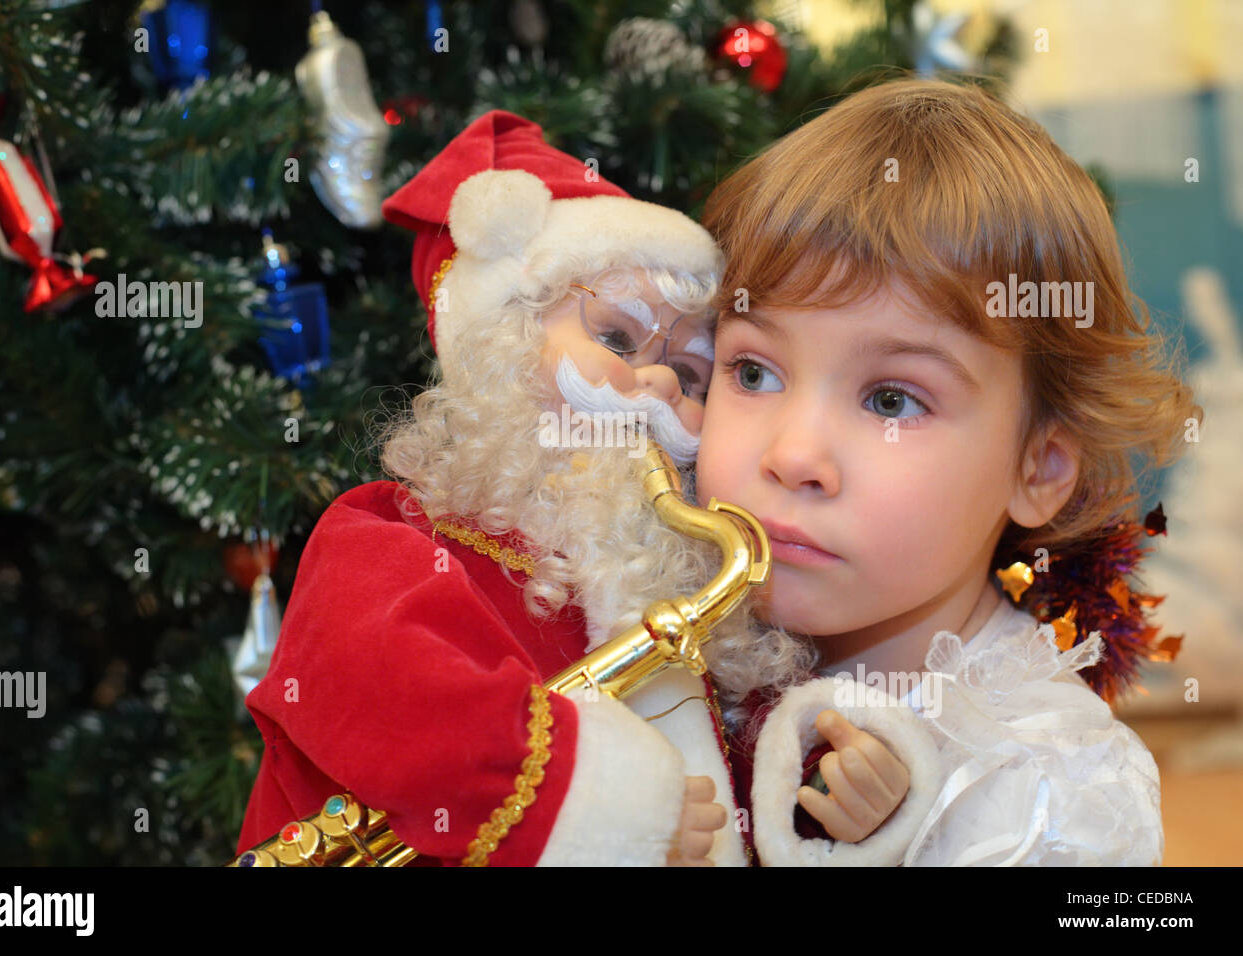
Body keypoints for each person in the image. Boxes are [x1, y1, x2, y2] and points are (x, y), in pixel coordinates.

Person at [235, 110, 773, 866]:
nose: (650, 382)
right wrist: (592, 806)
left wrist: (823, 775)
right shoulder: (390, 538)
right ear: (499, 351)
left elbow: (753, 760)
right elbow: (386, 697)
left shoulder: (701, 592)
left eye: (689, 376)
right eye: (615, 339)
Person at [693, 77, 1197, 865]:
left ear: (1040, 468)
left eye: (891, 399)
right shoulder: (679, 654)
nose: (792, 456)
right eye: (754, 372)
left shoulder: (1045, 790)